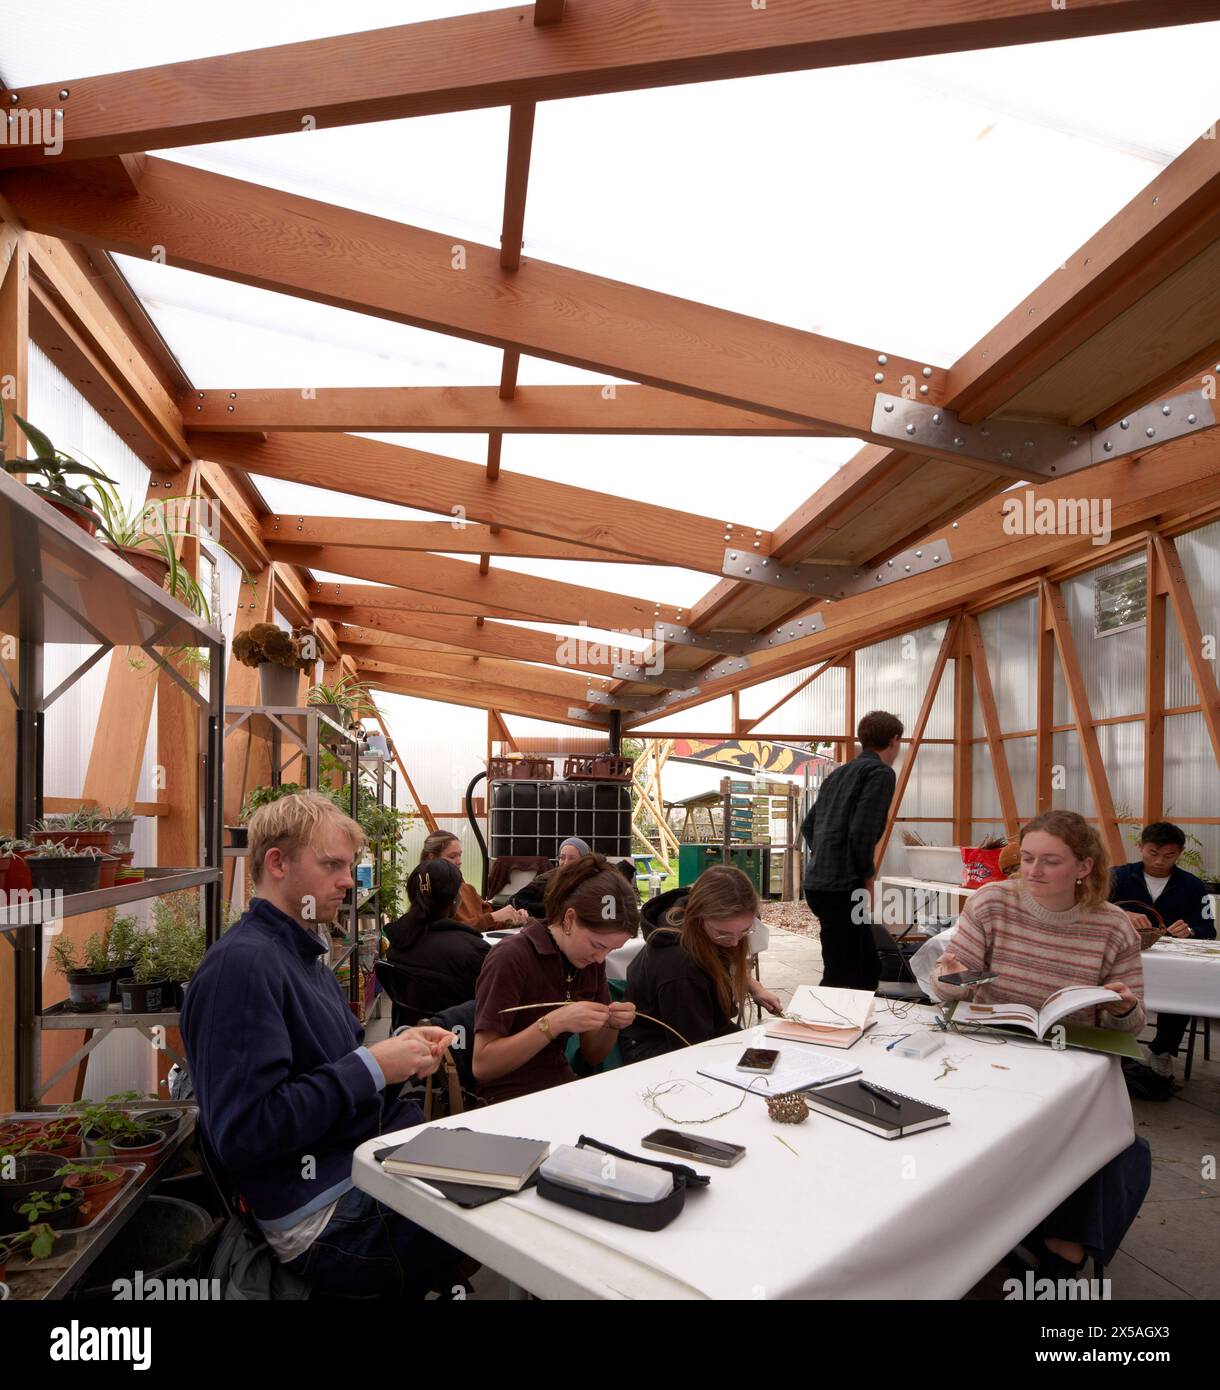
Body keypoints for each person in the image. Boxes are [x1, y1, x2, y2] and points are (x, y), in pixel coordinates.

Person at [181, 791, 465, 1297]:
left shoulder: (301, 954)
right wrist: (373, 1067)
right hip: (319, 1213)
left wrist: (398, 1051)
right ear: (277, 863)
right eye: (331, 864)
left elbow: (333, 1069)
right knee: (509, 1221)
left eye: (350, 866)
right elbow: (245, 1132)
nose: (346, 881)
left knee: (507, 1183)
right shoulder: (243, 968)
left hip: (354, 1163)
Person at [929, 810, 1150, 1276]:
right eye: (1027, 859)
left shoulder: (1112, 927)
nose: (1033, 871)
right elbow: (949, 988)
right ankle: (1019, 1240)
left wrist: (1123, 1008)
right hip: (988, 1054)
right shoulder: (991, 902)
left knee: (1121, 1150)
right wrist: (949, 979)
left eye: (1050, 861)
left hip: (1071, 1065)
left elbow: (1131, 1027)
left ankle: (1057, 1249)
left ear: (1084, 867)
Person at [473, 854, 639, 1104]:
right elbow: (483, 1065)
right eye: (597, 945)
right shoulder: (511, 957)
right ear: (569, 919)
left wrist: (611, 1024)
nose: (600, 958)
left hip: (560, 1088)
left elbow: (593, 1055)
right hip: (507, 1099)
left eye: (611, 951)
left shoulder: (589, 963)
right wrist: (552, 1024)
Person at [620, 865, 783, 1064]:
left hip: (700, 1027)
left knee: (774, 1056)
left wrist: (754, 986)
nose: (734, 942)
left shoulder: (697, 927)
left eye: (744, 931)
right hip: (656, 1051)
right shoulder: (680, 967)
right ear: (699, 917)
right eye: (723, 933)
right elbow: (692, 1049)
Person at [801, 709, 903, 990]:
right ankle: (820, 1026)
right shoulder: (880, 773)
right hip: (843, 888)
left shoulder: (840, 773)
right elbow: (862, 834)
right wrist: (867, 880)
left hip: (819, 885)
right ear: (894, 740)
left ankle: (850, 1025)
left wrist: (825, 856)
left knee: (865, 966)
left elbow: (808, 826)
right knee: (844, 972)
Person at [1110, 821, 1216, 1078]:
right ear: (1140, 847)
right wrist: (1121, 913)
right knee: (1109, 991)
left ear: (1179, 853)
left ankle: (1162, 1050)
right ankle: (1115, 1049)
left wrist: (1189, 931)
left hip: (1169, 964)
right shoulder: (1118, 877)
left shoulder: (1192, 886)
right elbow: (1089, 908)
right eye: (1152, 854)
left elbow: (1208, 930)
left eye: (1169, 856)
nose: (1159, 861)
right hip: (1122, 957)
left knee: (1184, 989)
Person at [384, 859, 491, 1015]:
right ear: (455, 899)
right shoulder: (474, 950)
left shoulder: (397, 940)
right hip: (455, 1034)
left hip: (407, 1029)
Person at [418, 829, 527, 932]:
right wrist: (492, 918)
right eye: (452, 856)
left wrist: (512, 920)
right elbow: (446, 931)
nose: (459, 861)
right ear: (432, 858)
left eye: (460, 855)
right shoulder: (428, 892)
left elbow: (490, 925)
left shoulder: (468, 889)